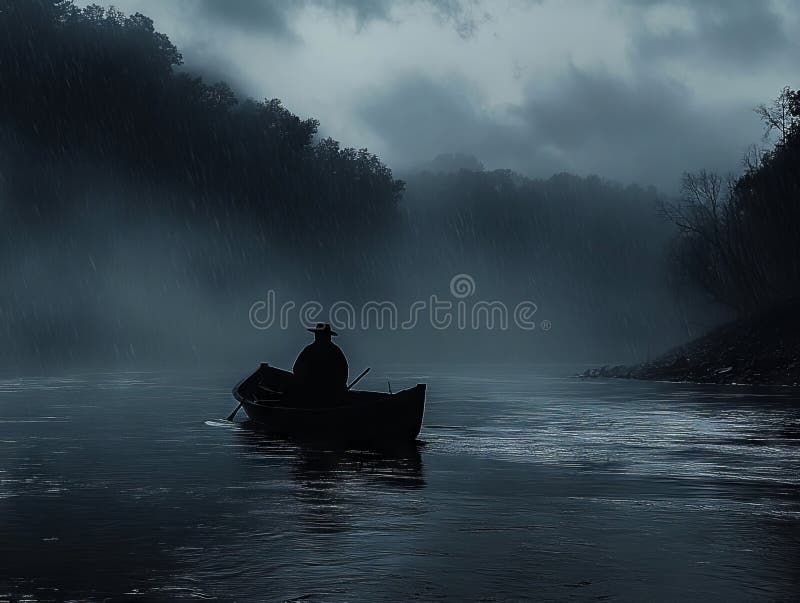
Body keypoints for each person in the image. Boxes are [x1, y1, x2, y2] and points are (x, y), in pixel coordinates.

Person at [292, 323, 349, 397]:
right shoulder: (335, 351)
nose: (317, 336)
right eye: (318, 334)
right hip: (313, 390)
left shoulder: (310, 350)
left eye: (320, 334)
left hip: (328, 391)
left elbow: (344, 373)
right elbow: (296, 369)